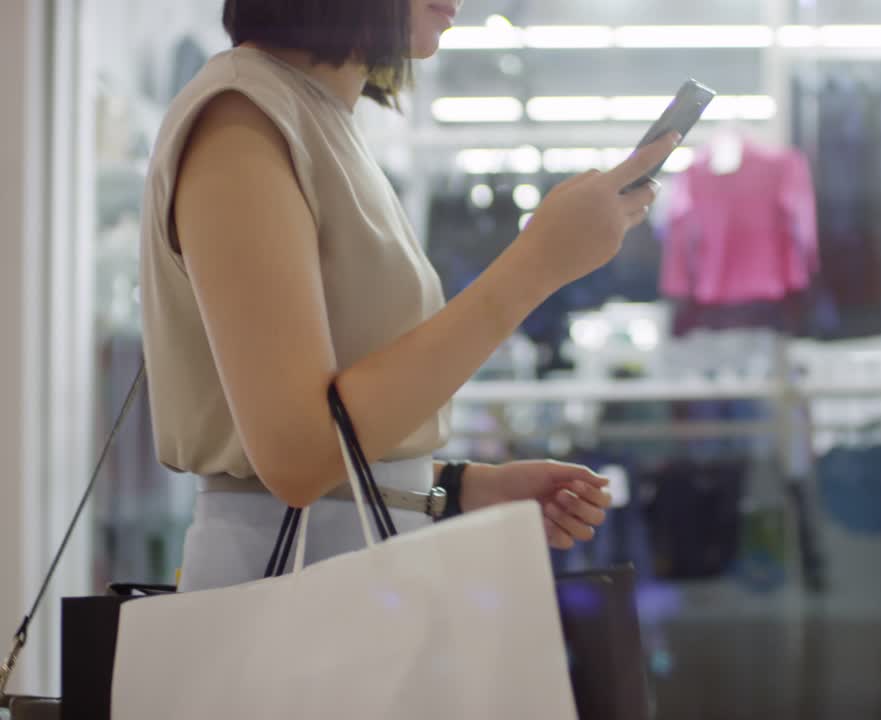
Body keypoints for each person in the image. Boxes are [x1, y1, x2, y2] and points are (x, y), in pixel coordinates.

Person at [140, 0, 676, 591]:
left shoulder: (313, 116)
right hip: (287, 589)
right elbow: (296, 456)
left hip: (338, 573)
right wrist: (538, 263)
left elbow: (329, 431)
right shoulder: (243, 119)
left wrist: (454, 487)